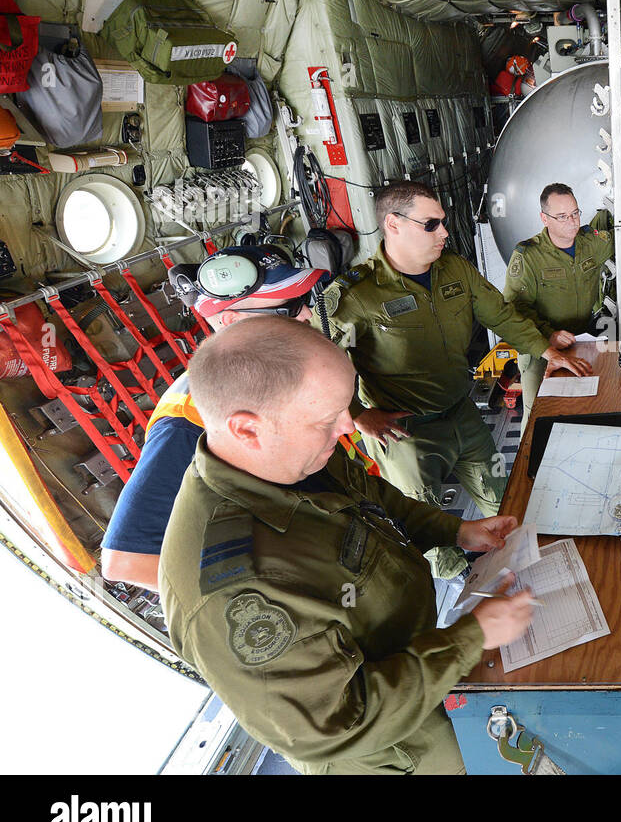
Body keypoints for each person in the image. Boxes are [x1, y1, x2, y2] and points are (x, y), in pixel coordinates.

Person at [159, 317, 536, 775]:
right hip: (393, 752)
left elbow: (372, 498)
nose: (348, 428)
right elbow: (340, 725)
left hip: (420, 659)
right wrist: (469, 638)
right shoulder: (235, 590)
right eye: (327, 420)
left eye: (346, 408)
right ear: (246, 429)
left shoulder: (296, 448)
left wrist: (453, 531)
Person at [100, 247, 384, 591]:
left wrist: (357, 416)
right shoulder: (187, 420)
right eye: (289, 308)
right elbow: (126, 560)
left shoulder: (276, 372)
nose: (308, 313)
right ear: (233, 322)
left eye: (304, 300)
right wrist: (287, 595)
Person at [318, 181, 590, 516]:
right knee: (420, 517)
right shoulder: (357, 294)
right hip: (404, 432)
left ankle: (509, 555)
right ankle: (449, 570)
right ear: (393, 224)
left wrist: (546, 351)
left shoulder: (455, 269)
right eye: (431, 224)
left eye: (443, 222)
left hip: (462, 412)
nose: (444, 232)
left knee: (502, 502)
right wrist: (358, 415)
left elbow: (501, 315)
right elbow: (318, 365)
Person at [503, 182, 621, 423]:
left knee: (590, 409)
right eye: (562, 216)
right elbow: (513, 311)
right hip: (540, 349)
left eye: (575, 213)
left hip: (583, 344)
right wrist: (548, 334)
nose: (572, 221)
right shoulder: (528, 255)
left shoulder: (590, 241)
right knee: (539, 417)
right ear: (544, 218)